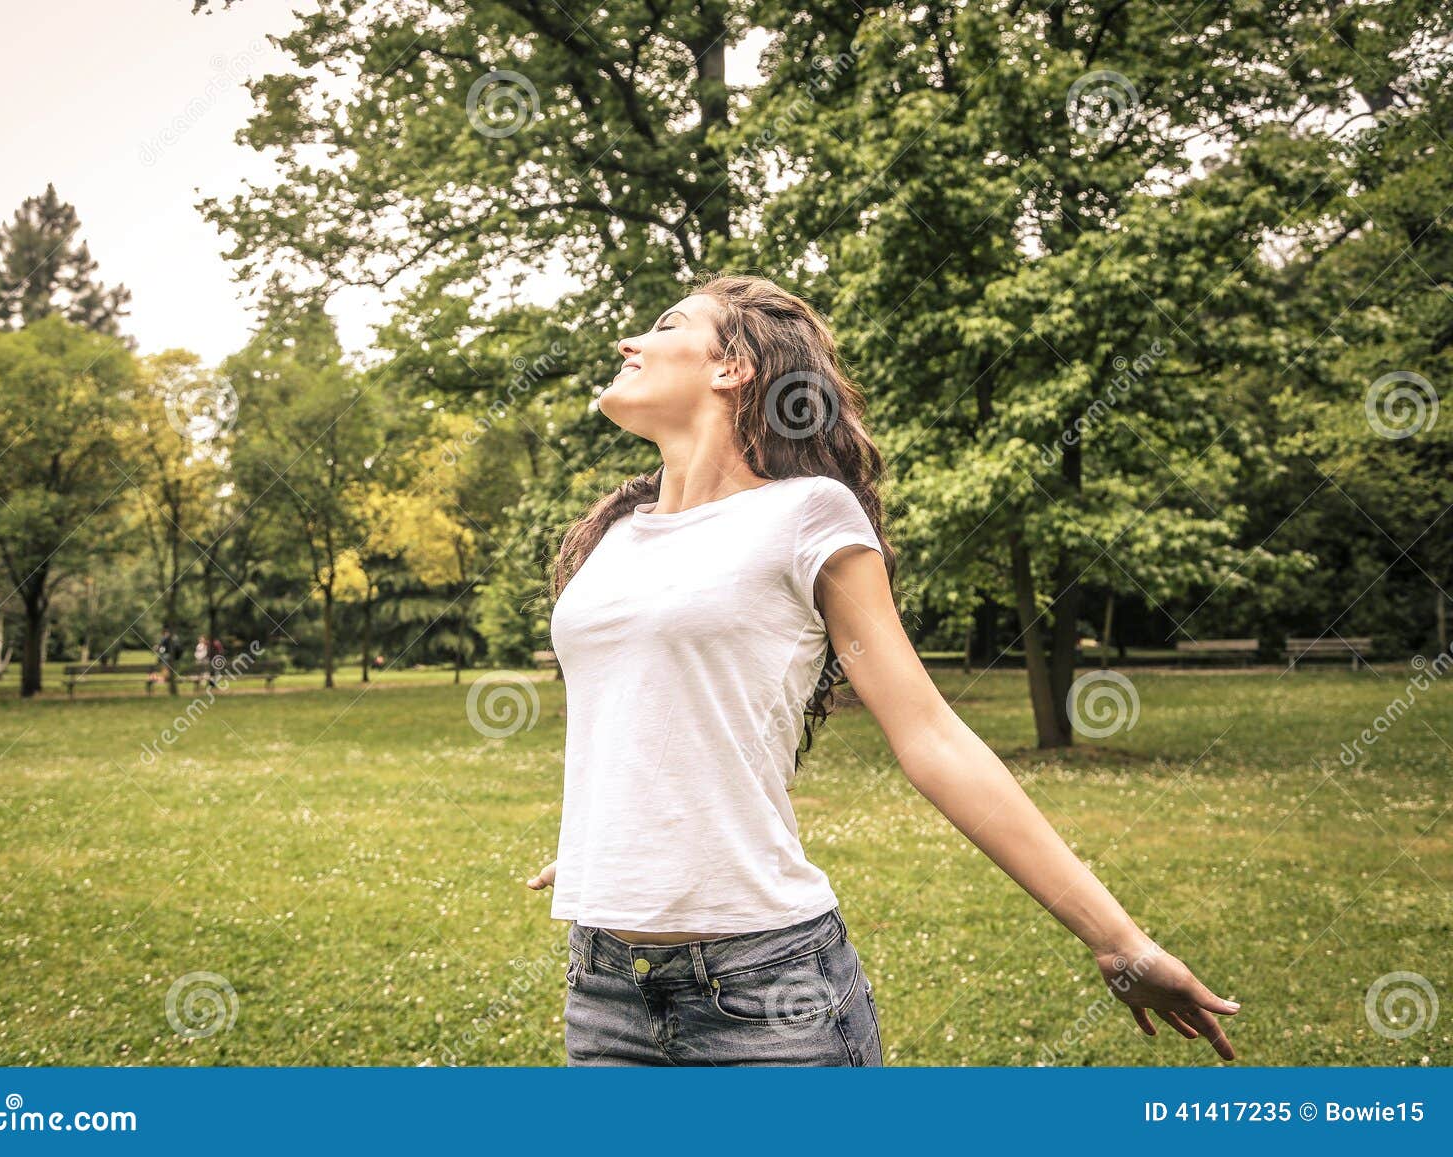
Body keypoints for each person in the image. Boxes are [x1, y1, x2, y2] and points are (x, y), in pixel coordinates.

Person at [526, 274, 1240, 1067]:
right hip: (607, 988)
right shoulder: (617, 535)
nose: (630, 342)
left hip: (766, 995)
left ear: (734, 367)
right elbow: (643, 709)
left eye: (665, 323)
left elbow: (930, 734)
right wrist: (630, 834)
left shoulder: (806, 514)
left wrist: (1119, 940)